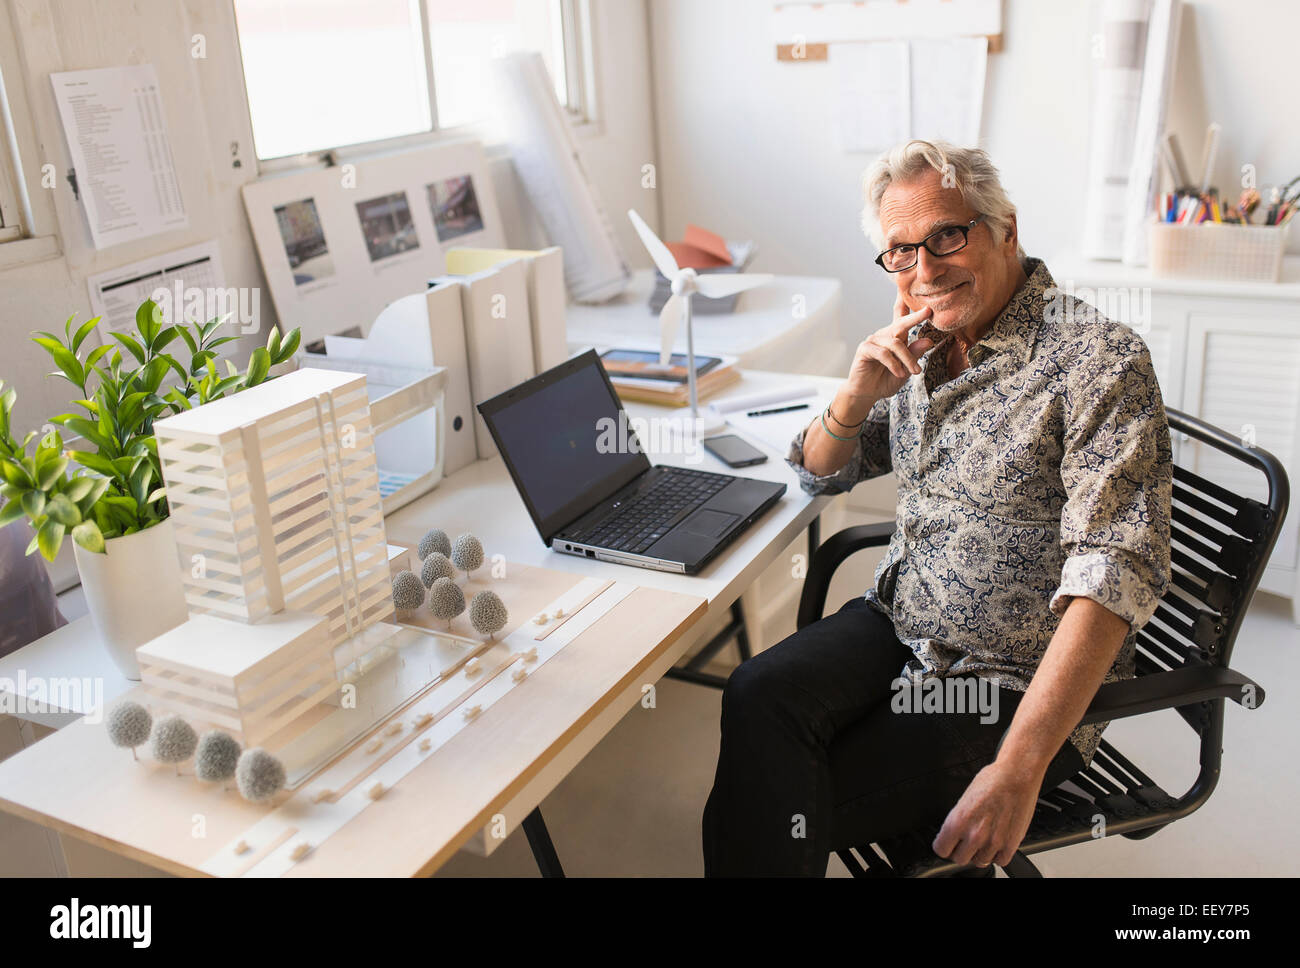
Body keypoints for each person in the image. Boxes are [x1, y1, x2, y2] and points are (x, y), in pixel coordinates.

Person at [702, 140, 1172, 877]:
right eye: (901, 252)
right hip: (903, 619)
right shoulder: (930, 342)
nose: (926, 270)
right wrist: (856, 393)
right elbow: (823, 471)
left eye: (948, 236)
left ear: (1005, 229)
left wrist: (1017, 770)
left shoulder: (1098, 359)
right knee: (757, 695)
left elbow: (1113, 576)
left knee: (790, 793)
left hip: (1011, 677)